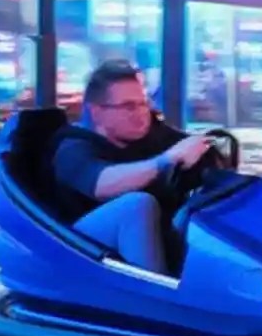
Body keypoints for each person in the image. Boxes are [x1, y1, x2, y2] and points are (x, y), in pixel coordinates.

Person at [53, 60, 215, 275]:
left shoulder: (149, 134)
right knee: (136, 206)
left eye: (143, 103)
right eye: (129, 106)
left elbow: (189, 148)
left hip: (147, 241)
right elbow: (102, 184)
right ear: (97, 112)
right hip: (80, 250)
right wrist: (167, 160)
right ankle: (156, 299)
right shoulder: (73, 147)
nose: (140, 113)